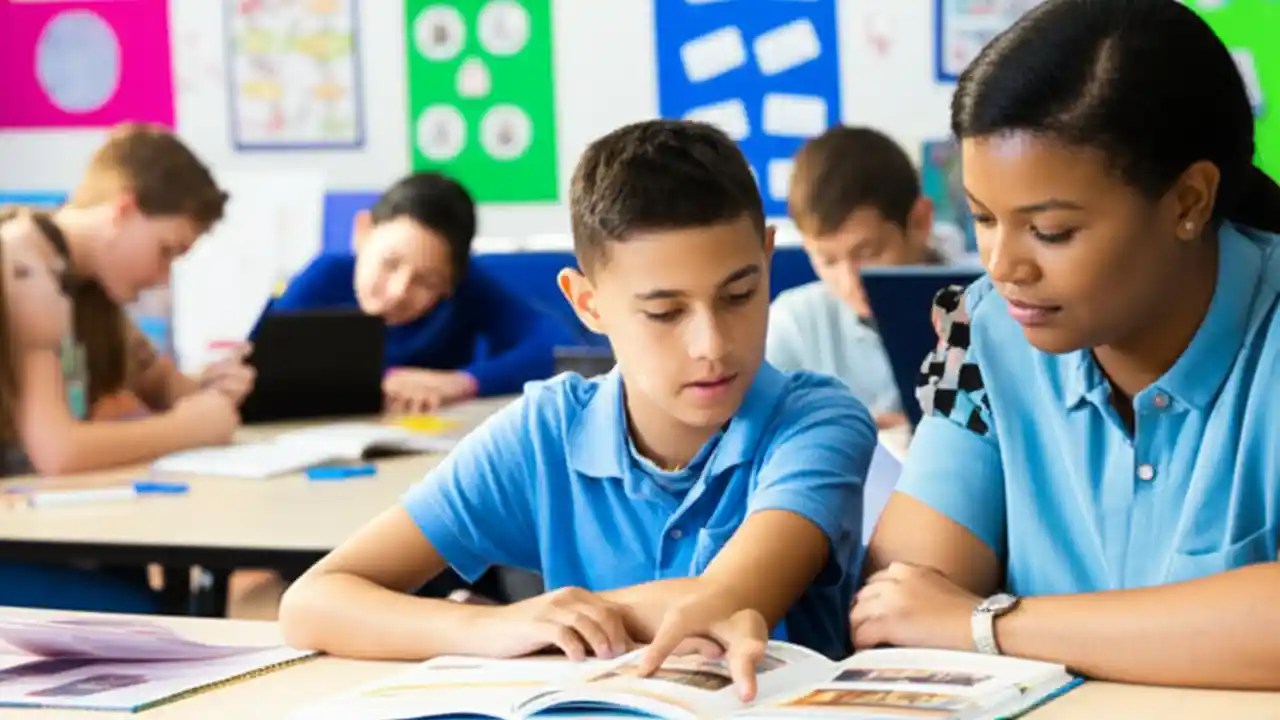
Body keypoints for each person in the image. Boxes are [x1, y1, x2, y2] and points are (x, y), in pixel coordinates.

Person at [644, 0, 1280, 695]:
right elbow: (900, 605)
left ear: (1189, 201)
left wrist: (989, 624)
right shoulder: (984, 331)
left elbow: (947, 613)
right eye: (981, 218)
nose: (1003, 266)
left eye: (1053, 232)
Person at [278, 120, 877, 697]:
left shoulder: (816, 421)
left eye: (739, 295)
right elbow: (314, 602)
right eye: (665, 313)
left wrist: (549, 620)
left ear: (768, 261)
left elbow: (719, 602)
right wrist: (497, 628)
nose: (712, 346)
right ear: (588, 304)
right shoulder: (546, 432)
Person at [12, 124, 247, 475]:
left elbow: (157, 380)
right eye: (166, 251)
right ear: (124, 209)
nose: (164, 277)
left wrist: (207, 387)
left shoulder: (93, 283)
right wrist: (188, 429)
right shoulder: (22, 264)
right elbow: (58, 452)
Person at [270, 172, 578, 413]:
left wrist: (461, 383)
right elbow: (261, 361)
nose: (399, 291)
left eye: (427, 281)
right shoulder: (326, 278)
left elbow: (559, 346)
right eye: (389, 264)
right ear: (362, 232)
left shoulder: (468, 288)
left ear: (451, 280)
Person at [0, 207, 161, 611]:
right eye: (22, 273)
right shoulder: (33, 349)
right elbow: (59, 451)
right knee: (133, 607)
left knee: (126, 575)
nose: (55, 287)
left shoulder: (35, 356)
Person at [768, 127, 947, 429]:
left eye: (869, 252)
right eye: (828, 260)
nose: (850, 283)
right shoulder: (794, 323)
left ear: (919, 221)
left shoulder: (984, 307)